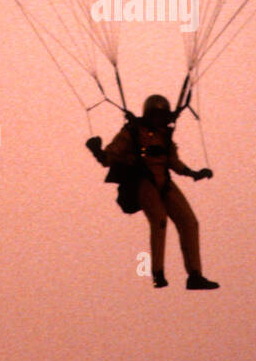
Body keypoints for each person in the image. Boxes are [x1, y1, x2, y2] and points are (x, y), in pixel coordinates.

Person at [87, 95, 219, 289]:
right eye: (154, 115)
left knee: (189, 221)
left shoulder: (165, 135)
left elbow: (173, 162)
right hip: (143, 181)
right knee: (159, 220)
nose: (158, 119)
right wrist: (97, 151)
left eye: (161, 116)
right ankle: (158, 273)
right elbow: (109, 157)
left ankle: (195, 275)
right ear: (148, 115)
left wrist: (194, 173)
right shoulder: (131, 132)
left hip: (164, 181)